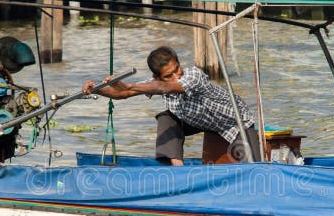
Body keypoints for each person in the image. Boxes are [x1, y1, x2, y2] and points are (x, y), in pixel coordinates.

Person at [82, 46, 261, 165]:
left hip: (235, 122)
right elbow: (124, 93)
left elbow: (167, 87)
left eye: (177, 69)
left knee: (253, 169)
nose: (177, 75)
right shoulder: (154, 83)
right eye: (169, 74)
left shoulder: (194, 75)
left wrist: (128, 85)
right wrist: (97, 89)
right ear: (157, 77)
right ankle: (177, 168)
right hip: (200, 120)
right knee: (166, 118)